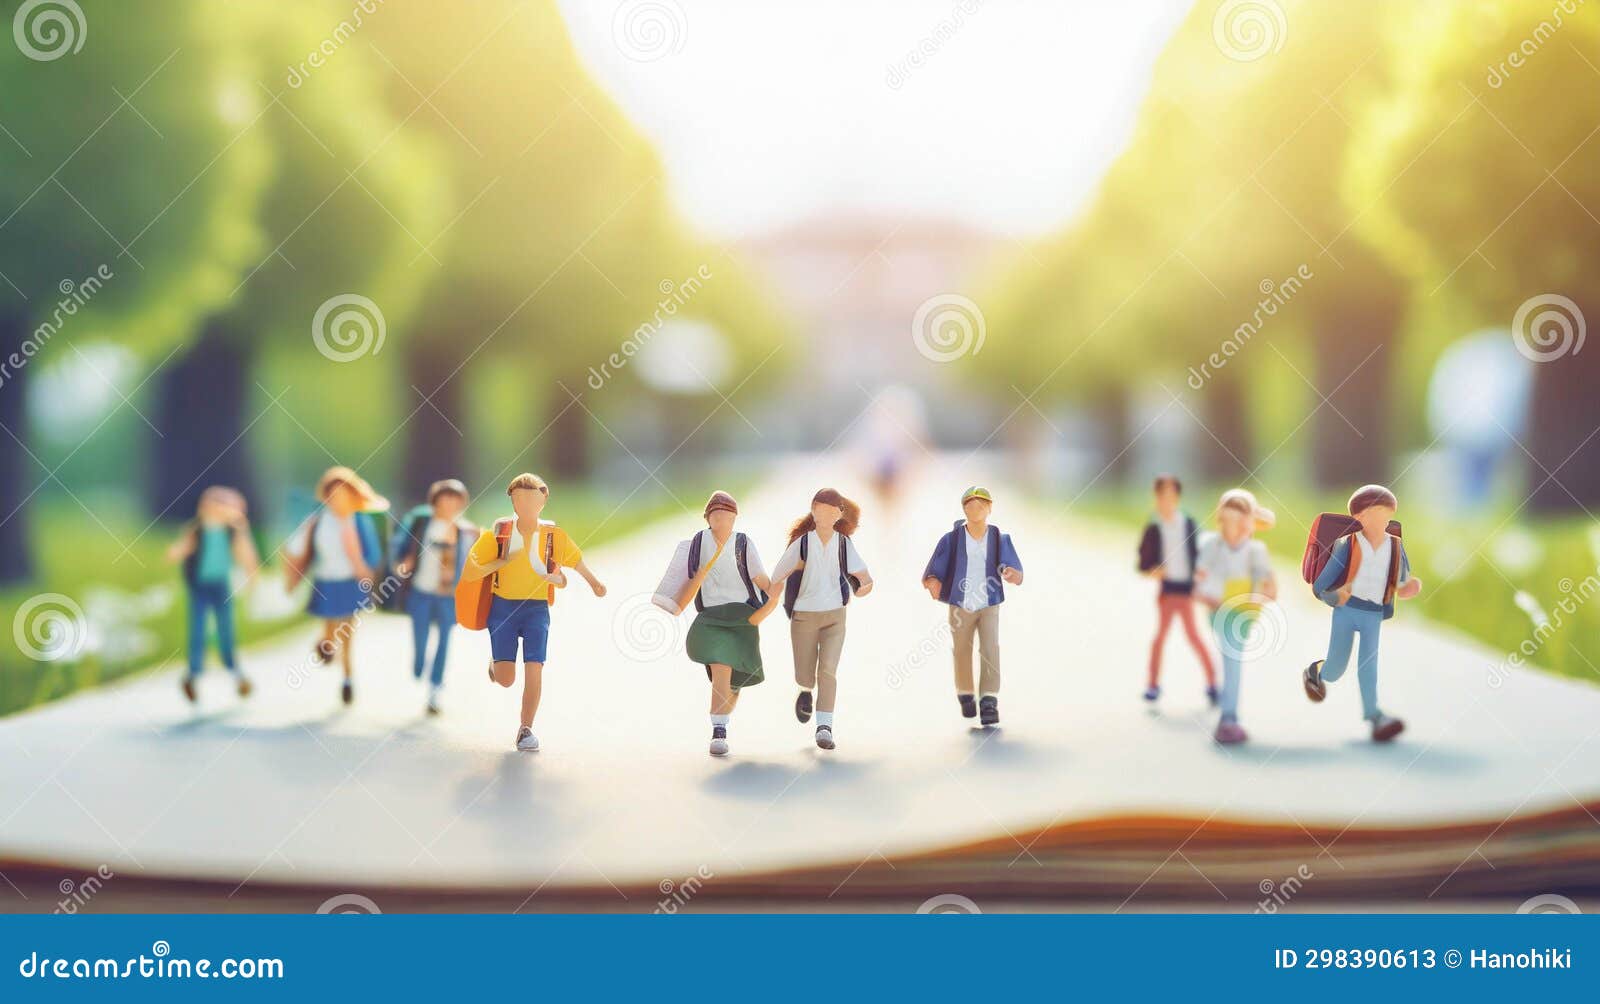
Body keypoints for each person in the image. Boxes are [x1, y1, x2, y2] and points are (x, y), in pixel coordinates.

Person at [462, 473, 606, 752]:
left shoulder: (553, 536)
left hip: (536, 610)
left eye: (533, 500)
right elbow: (470, 571)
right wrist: (501, 562)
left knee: (534, 667)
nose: (526, 505)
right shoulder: (500, 534)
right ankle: (495, 666)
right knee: (506, 679)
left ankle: (525, 729)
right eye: (520, 499)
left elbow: (575, 562)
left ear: (543, 501)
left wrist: (594, 583)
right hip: (502, 608)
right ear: (513, 502)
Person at [1303, 484, 1422, 742]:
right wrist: (1334, 596)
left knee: (1368, 667)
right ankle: (1317, 673)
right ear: (1360, 517)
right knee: (1336, 668)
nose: (1383, 519)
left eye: (1387, 513)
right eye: (1377, 512)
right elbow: (1321, 584)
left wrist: (1407, 587)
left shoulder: (1395, 546)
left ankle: (1375, 716)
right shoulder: (1346, 544)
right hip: (1347, 610)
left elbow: (1401, 579)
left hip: (1373, 614)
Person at [757, 488, 873, 751]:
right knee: (805, 672)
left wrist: (863, 584)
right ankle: (805, 690)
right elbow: (779, 577)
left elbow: (858, 575)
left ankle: (824, 726)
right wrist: (768, 599)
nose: (854, 531)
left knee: (828, 669)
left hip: (834, 613)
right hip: (803, 612)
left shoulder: (843, 545)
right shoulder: (803, 543)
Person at [668, 491, 773, 757]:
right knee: (721, 667)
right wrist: (674, 603)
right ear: (707, 518)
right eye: (715, 515)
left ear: (735, 518)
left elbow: (759, 576)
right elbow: (686, 577)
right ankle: (719, 731)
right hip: (711, 617)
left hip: (741, 617)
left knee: (730, 681)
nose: (721, 520)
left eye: (727, 515)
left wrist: (776, 594)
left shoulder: (743, 543)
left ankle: (726, 706)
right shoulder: (698, 542)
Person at [920, 486, 1024, 727]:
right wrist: (933, 580)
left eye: (981, 506)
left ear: (989, 509)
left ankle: (989, 699)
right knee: (961, 649)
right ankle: (965, 692)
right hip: (960, 603)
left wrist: (1010, 573)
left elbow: (1016, 571)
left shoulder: (999, 538)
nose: (975, 510)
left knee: (990, 648)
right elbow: (936, 566)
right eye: (970, 506)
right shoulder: (952, 539)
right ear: (964, 509)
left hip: (989, 602)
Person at [284, 466, 387, 706]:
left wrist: (365, 569)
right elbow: (298, 549)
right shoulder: (317, 521)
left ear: (352, 496)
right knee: (330, 629)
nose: (337, 500)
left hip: (351, 582)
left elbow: (373, 552)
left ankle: (348, 678)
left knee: (348, 633)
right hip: (326, 581)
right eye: (332, 495)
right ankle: (326, 645)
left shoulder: (359, 521)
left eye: (342, 495)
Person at [1193, 488, 1276, 745]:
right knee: (1232, 658)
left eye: (1242, 522)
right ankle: (1228, 718)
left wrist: (1266, 590)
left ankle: (1228, 716)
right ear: (1220, 522)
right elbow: (1199, 578)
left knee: (1232, 658)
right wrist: (1203, 592)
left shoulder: (1256, 550)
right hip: (1220, 609)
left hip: (1246, 611)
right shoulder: (1211, 545)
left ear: (1250, 522)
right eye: (1229, 522)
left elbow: (1267, 583)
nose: (1236, 529)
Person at [166, 486, 260, 704]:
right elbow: (179, 550)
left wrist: (252, 578)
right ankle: (193, 674)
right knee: (198, 630)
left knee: (226, 630)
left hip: (221, 586)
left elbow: (246, 556)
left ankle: (236, 673)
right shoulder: (196, 530)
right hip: (199, 587)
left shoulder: (232, 531)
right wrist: (176, 551)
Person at [392, 478, 477, 716]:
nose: (450, 504)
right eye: (445, 499)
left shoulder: (466, 532)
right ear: (435, 501)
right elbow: (401, 548)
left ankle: (435, 689)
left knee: (444, 640)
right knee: (420, 637)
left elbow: (475, 562)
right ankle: (419, 663)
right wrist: (403, 563)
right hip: (421, 592)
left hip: (448, 596)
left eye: (455, 500)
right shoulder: (421, 525)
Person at [1136, 474, 1218, 706]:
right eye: (1163, 496)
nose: (1167, 500)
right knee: (1160, 637)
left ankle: (1212, 683)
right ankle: (1152, 684)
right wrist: (1154, 571)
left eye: (1172, 495)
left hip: (1187, 590)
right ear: (1157, 498)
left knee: (1193, 636)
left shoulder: (1188, 523)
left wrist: (1201, 576)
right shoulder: (1154, 528)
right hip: (1167, 591)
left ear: (1178, 497)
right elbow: (1143, 563)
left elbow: (1200, 554)